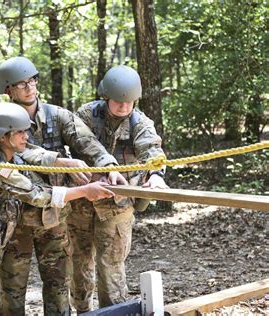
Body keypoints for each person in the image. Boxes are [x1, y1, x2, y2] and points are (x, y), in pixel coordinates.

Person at [0, 103, 114, 315]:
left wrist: (67, 163)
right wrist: (86, 191)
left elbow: (34, 155)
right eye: (20, 132)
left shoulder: (10, 155)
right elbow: (37, 195)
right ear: (2, 137)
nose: (26, 136)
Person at [0, 56, 125, 315]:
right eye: (21, 84)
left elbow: (86, 141)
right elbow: (21, 155)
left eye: (32, 80)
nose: (30, 87)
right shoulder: (1, 119)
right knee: (12, 288)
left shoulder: (58, 115)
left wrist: (107, 164)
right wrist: (63, 163)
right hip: (15, 219)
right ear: (8, 90)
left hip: (53, 218)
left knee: (57, 286)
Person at [67, 65, 169, 313]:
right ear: (106, 96)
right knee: (78, 269)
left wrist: (156, 174)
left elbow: (152, 150)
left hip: (116, 208)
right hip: (81, 203)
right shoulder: (87, 115)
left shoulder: (140, 122)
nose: (124, 107)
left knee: (111, 271)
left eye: (129, 102)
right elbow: (75, 141)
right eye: (118, 101)